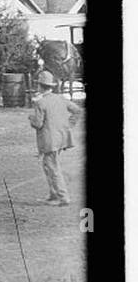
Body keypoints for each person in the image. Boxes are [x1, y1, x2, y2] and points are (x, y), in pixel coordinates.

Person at [27, 71, 82, 206]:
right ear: (51, 86)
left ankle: (63, 198)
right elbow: (77, 110)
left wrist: (31, 118)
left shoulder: (40, 103)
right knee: (48, 166)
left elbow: (38, 124)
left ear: (40, 86)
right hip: (61, 138)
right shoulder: (61, 98)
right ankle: (53, 194)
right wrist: (69, 125)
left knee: (52, 167)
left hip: (49, 140)